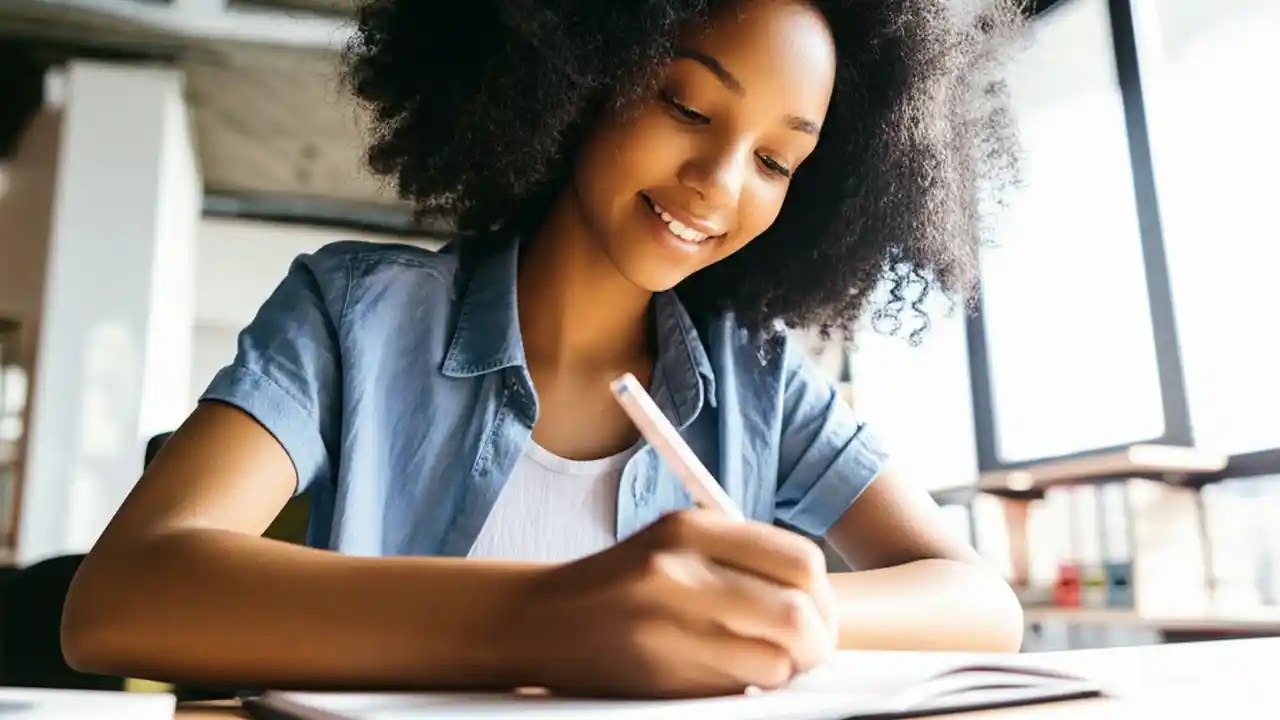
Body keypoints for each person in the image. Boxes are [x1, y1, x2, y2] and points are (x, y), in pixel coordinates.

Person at [63, 0, 1025, 699]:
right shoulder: (354, 316)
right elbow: (120, 599)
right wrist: (549, 619)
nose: (717, 183)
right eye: (686, 106)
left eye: (776, 160)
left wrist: (784, 613)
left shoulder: (760, 381)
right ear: (584, 69)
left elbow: (982, 603)